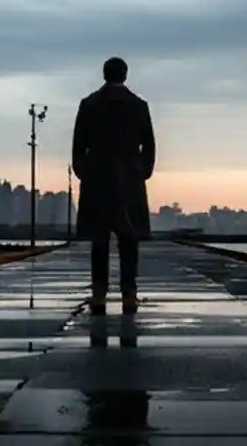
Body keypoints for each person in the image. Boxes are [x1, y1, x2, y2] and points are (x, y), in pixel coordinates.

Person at [72, 56, 155, 314]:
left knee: (99, 240)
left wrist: (83, 171)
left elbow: (78, 144)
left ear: (105, 74)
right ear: (125, 75)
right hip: (129, 179)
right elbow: (149, 144)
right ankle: (129, 293)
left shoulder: (89, 105)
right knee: (129, 239)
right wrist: (143, 171)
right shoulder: (139, 106)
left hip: (97, 178)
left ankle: (99, 293)